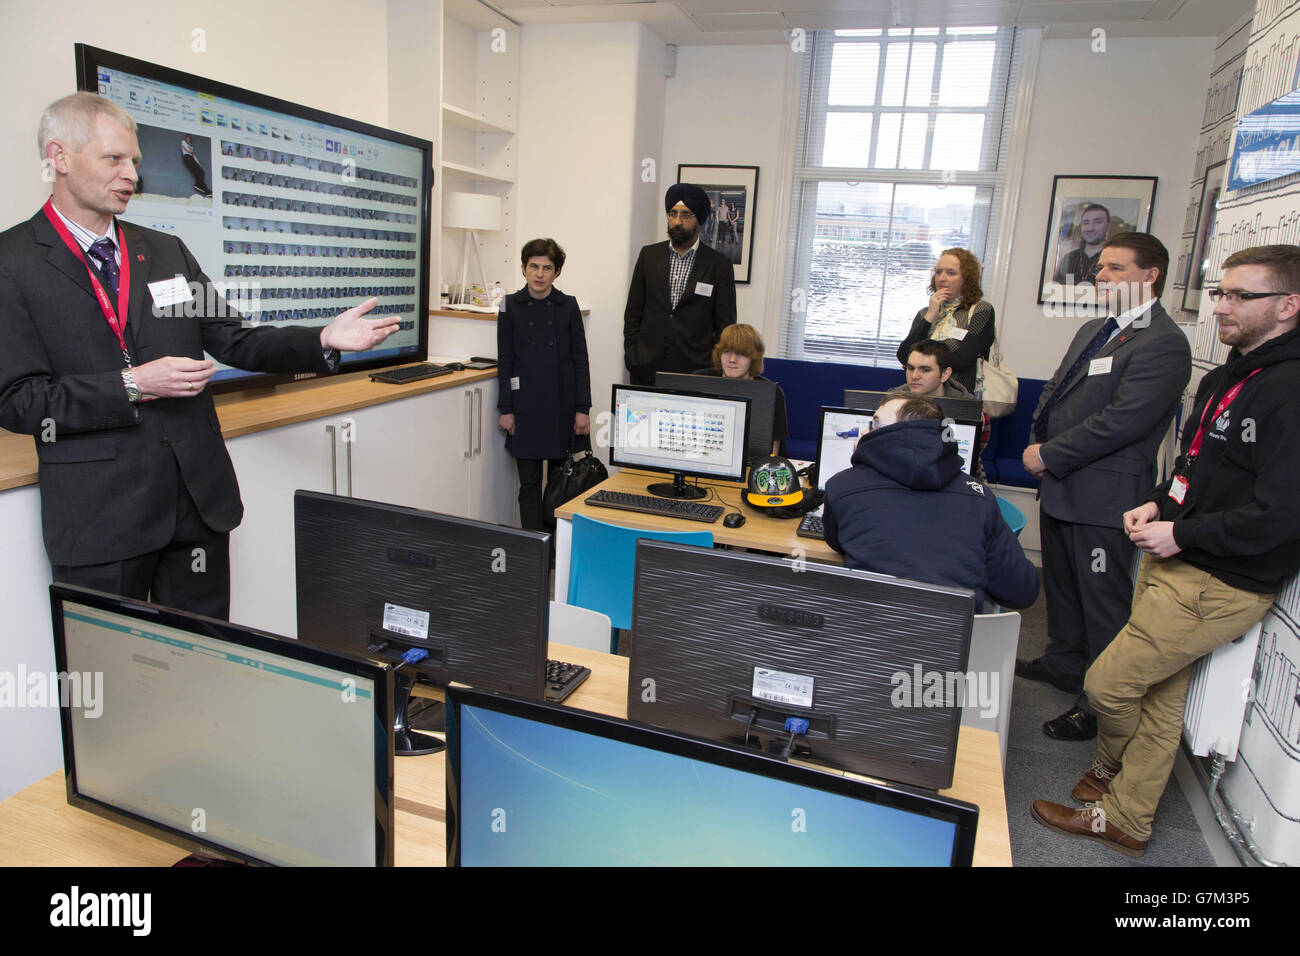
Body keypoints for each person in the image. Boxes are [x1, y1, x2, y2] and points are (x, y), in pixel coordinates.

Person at [0, 92, 400, 620]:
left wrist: (321, 339)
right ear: (59, 157)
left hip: (196, 506)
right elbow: (19, 401)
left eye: (136, 162)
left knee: (207, 665)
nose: (130, 175)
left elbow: (234, 338)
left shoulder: (166, 251)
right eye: (113, 159)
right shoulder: (13, 261)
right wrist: (133, 384)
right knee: (111, 680)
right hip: (101, 520)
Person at [1032, 244, 1300, 857]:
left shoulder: (1287, 389)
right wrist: (1162, 501)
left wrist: (1183, 533)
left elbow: (1281, 514)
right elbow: (1195, 465)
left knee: (1108, 687)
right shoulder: (1234, 371)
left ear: (1288, 306)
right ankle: (1126, 810)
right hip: (1178, 557)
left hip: (1217, 576)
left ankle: (1110, 772)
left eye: (1241, 296)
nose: (1222, 307)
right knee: (1157, 700)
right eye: (1221, 292)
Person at [1016, 232, 1191, 741]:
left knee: (1102, 599)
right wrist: (1037, 445)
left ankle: (1096, 702)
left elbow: (1124, 422)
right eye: (1101, 268)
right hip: (1061, 483)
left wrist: (1048, 454)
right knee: (1063, 587)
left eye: (1114, 268)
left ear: (1150, 275)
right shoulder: (1097, 327)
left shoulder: (1163, 342)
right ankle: (1065, 663)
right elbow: (1054, 391)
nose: (1101, 276)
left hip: (1105, 494)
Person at [822, 396, 1038, 610]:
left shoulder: (842, 487)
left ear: (895, 434)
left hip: (863, 637)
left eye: (874, 424)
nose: (863, 433)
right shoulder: (979, 497)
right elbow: (1021, 591)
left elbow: (836, 541)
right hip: (952, 639)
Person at [497, 238, 591, 532]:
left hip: (561, 407)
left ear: (556, 272)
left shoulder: (568, 305)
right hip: (524, 407)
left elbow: (580, 360)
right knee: (529, 485)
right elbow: (506, 360)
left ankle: (554, 551)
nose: (539, 273)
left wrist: (582, 408)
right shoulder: (509, 305)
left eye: (547, 268)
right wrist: (506, 408)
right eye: (534, 266)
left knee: (559, 487)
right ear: (524, 269)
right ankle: (533, 547)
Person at [623, 183, 737, 386]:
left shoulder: (719, 265)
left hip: (696, 373)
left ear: (699, 220)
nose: (677, 221)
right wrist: (633, 354)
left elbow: (725, 326)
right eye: (673, 213)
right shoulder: (649, 255)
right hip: (646, 369)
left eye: (686, 215)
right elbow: (633, 312)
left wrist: (712, 366)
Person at [885, 339, 988, 483]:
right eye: (910, 368)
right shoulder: (892, 401)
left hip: (957, 477)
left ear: (945, 374)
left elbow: (975, 450)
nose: (914, 376)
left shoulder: (970, 407)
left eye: (925, 370)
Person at [895, 248, 995, 393]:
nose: (941, 278)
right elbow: (904, 356)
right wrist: (930, 317)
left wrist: (922, 358)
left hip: (958, 395)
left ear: (967, 279)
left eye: (951, 273)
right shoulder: (925, 312)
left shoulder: (980, 310)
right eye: (938, 272)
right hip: (919, 396)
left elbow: (962, 361)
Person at [693, 323, 789, 456]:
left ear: (753, 358)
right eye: (726, 352)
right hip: (706, 457)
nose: (732, 360)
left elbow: (773, 452)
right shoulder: (698, 381)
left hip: (752, 463)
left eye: (741, 354)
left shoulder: (771, 393)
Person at [1053, 203, 1111, 287]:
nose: (1090, 228)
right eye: (1086, 223)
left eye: (1098, 222)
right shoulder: (1069, 258)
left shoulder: (1112, 260)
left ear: (1108, 225)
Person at [180, 134, 211, 198]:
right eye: (187, 138)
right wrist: (191, 151)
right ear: (186, 138)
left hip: (191, 158)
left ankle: (204, 189)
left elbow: (194, 156)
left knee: (201, 172)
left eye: (189, 138)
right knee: (196, 172)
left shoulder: (191, 146)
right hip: (187, 158)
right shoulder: (183, 142)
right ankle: (201, 187)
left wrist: (199, 164)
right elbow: (187, 150)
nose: (188, 139)